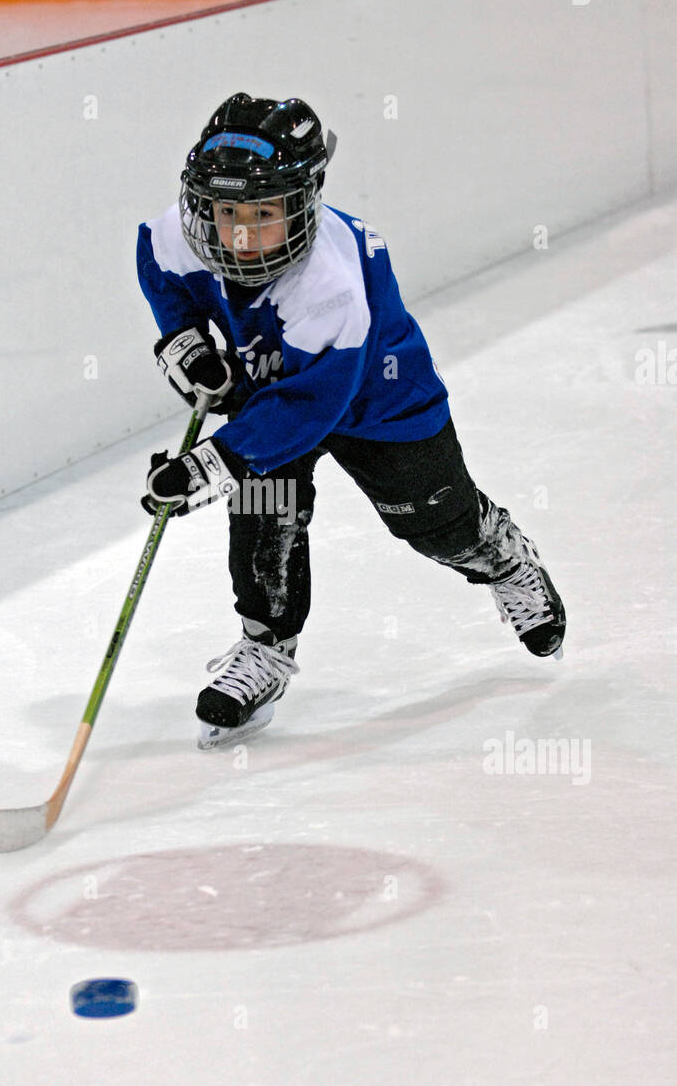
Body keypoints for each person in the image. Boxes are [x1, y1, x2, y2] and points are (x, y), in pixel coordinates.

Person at [136, 93, 566, 750]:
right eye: (227, 215)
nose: (241, 235)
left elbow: (307, 405)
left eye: (263, 216)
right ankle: (266, 650)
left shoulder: (330, 284)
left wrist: (206, 465)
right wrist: (187, 342)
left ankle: (501, 556)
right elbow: (162, 272)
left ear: (303, 202)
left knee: (434, 527)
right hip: (273, 389)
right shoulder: (178, 232)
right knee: (263, 515)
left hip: (377, 398)